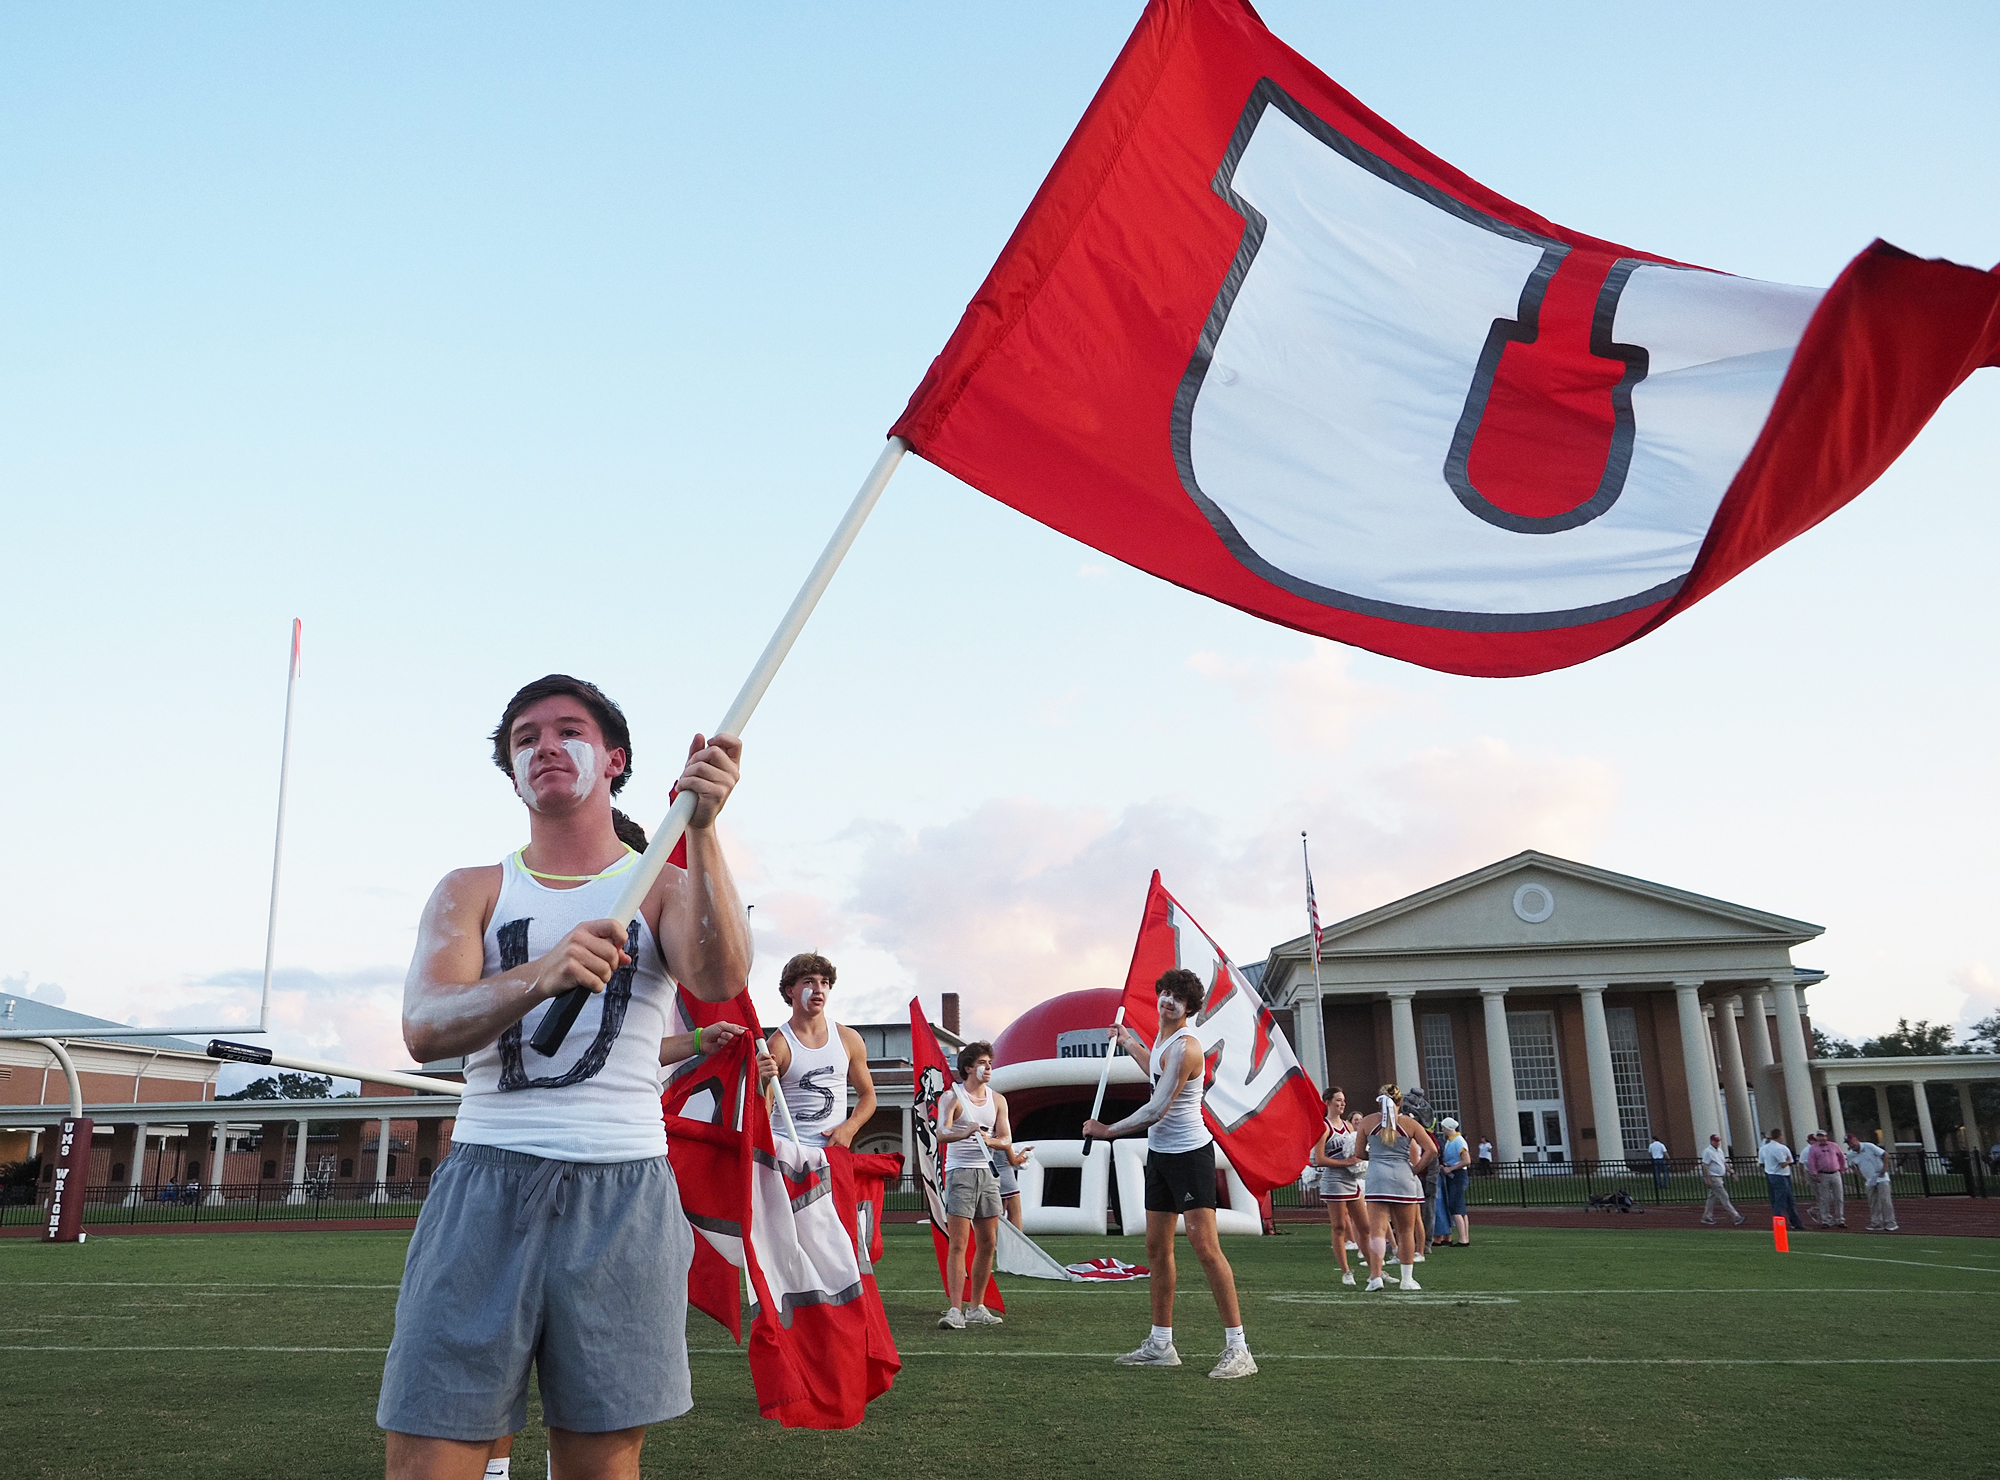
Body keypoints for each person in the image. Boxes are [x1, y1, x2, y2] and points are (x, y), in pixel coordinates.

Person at [378, 674, 753, 1480]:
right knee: (426, 1455)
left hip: (623, 1189)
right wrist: (540, 973)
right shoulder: (472, 889)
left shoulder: (668, 888)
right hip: (485, 1182)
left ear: (614, 760)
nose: (545, 746)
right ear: (511, 773)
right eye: (524, 739)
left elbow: (720, 976)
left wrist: (709, 829)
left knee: (601, 1465)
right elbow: (424, 1027)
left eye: (568, 731)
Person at [1083, 968, 1256, 1379]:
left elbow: (1157, 1108)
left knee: (1206, 1249)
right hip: (1160, 1156)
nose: (1168, 1000)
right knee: (1156, 1249)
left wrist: (1107, 1130)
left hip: (1189, 1156)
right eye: (1165, 992)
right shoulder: (1164, 1040)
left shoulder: (1187, 1048)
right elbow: (1154, 1069)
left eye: (1178, 997)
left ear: (1189, 1009)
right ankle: (1161, 1343)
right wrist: (1128, 1042)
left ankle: (1239, 1348)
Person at [755, 952, 876, 1150]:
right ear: (790, 990)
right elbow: (762, 1110)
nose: (819, 989)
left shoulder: (848, 1039)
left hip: (832, 1153)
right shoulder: (778, 1045)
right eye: (809, 982)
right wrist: (760, 1080)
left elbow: (868, 1095)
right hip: (788, 1153)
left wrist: (850, 1128)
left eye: (825, 982)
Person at [936, 1041, 1011, 1330]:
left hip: (988, 1173)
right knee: (959, 1243)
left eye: (990, 1063)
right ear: (968, 1068)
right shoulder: (952, 1097)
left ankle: (976, 1306)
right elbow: (941, 1133)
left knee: (988, 1242)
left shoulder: (998, 1100)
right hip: (960, 1174)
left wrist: (988, 1140)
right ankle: (955, 1309)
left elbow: (1005, 1138)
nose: (989, 1068)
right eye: (983, 1063)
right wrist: (964, 1132)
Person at [1354, 1084, 1438, 1292]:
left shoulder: (1367, 1122)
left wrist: (1376, 1155)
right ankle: (1407, 1279)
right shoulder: (1409, 1123)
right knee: (1406, 1231)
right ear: (1400, 1102)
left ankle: (1375, 1278)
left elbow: (1359, 1153)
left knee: (1377, 1231)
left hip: (1377, 1178)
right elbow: (1432, 1149)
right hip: (1403, 1177)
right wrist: (1415, 1169)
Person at [1310, 1086, 1363, 1285]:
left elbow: (1355, 1150)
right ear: (1328, 1102)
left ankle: (1375, 1267)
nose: (1342, 1104)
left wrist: (1360, 1159)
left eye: (1344, 1100)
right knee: (1339, 1226)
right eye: (1338, 1100)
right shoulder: (1324, 1127)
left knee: (1365, 1227)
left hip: (1352, 1179)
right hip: (1335, 1181)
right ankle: (1346, 1271)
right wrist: (1345, 1163)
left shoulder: (1349, 1126)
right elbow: (1319, 1159)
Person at [1847, 1131, 1898, 1232]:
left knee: (1885, 1200)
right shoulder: (1851, 1154)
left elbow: (1885, 1154)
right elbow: (1852, 1166)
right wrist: (1861, 1175)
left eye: (1852, 1142)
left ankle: (1891, 1222)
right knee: (1873, 1202)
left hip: (1880, 1176)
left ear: (1856, 1140)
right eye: (1849, 1143)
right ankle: (1877, 1223)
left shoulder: (1869, 1146)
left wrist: (1884, 1169)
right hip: (1869, 1179)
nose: (1851, 1145)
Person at [1435, 1116, 1472, 1246]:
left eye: (1444, 1128)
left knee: (1455, 1206)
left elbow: (1466, 1160)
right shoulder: (1453, 1141)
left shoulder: (1458, 1141)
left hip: (1458, 1175)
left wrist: (1450, 1168)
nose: (1443, 1130)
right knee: (1459, 1206)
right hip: (1456, 1174)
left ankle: (1463, 1238)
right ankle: (1464, 1237)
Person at [1759, 1127, 1801, 1230]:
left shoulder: (1763, 1148)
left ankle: (1795, 1222)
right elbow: (1784, 1163)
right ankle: (1782, 1223)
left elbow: (1761, 1163)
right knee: (1784, 1200)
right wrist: (1788, 1160)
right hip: (1781, 1175)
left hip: (1770, 1175)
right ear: (1780, 1136)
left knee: (1775, 1200)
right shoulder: (1781, 1148)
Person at [1698, 1133, 1744, 1226]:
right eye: (1716, 1141)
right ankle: (1736, 1216)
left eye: (1718, 1141)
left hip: (1720, 1177)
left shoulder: (1720, 1151)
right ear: (1711, 1141)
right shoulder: (1708, 1151)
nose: (1717, 1143)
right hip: (1713, 1177)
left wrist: (1731, 1173)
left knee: (1712, 1197)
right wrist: (1707, 1179)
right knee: (1724, 1196)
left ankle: (1706, 1216)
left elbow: (1724, 1163)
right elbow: (1705, 1166)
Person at [1806, 1129, 1847, 1228]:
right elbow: (1811, 1162)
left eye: (1823, 1136)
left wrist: (1842, 1168)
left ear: (1826, 1137)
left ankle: (1840, 1219)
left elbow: (1841, 1157)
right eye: (1820, 1136)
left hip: (1835, 1173)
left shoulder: (1833, 1145)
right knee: (1824, 1198)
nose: (1822, 1138)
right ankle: (1826, 1220)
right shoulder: (1813, 1148)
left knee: (1839, 1197)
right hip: (1822, 1174)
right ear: (1817, 1138)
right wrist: (1815, 1174)